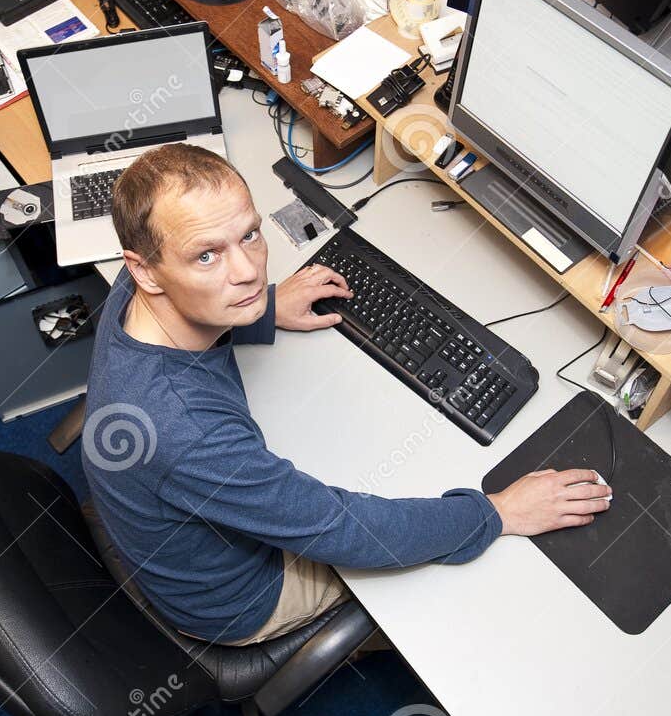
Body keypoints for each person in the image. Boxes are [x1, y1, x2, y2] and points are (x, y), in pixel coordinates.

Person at [82, 144, 610, 645]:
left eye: (249, 236)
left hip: (184, 537)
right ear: (144, 270)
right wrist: (496, 513)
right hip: (242, 597)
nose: (248, 272)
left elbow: (214, 289)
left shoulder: (137, 296)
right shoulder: (187, 433)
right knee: (475, 575)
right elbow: (346, 530)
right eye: (206, 257)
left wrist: (263, 307)